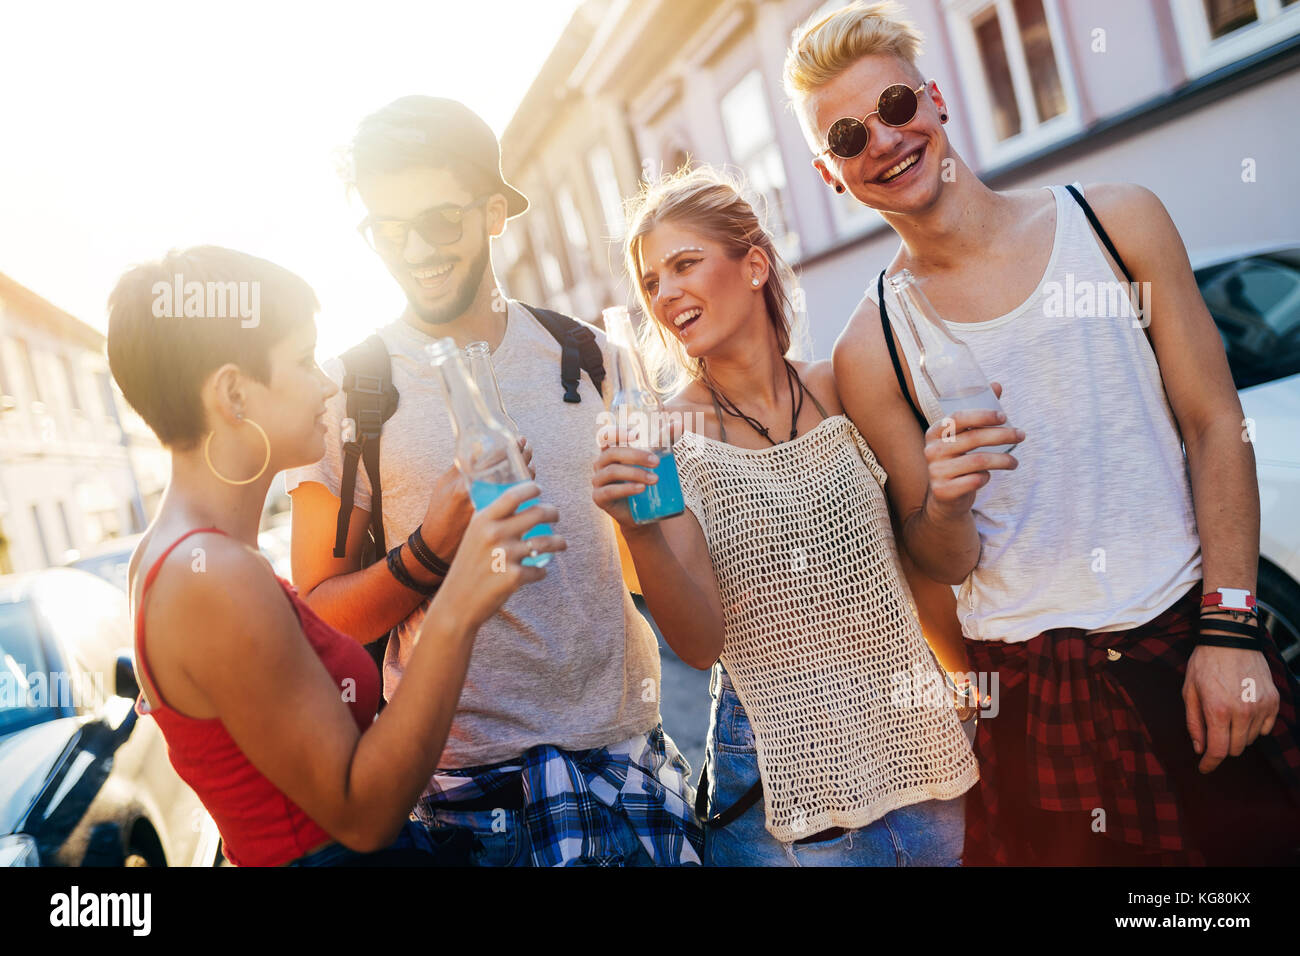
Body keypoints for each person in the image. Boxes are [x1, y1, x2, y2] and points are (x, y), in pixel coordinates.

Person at [783, 0, 1300, 865]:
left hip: (1186, 643)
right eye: (846, 136)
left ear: (937, 100)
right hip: (1031, 697)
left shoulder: (1114, 223)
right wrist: (945, 502)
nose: (883, 140)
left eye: (897, 106)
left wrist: (1233, 629)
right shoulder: (870, 346)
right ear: (830, 172)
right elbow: (939, 562)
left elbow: (1217, 425)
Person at [285, 96, 701, 866]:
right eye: (388, 228)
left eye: (440, 221)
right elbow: (319, 621)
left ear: (494, 213)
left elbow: (674, 579)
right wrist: (431, 551)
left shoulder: (598, 359)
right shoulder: (347, 394)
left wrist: (643, 522)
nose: (415, 249)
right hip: (466, 804)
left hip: (629, 767)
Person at [109, 246, 563, 867]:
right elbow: (362, 815)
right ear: (234, 394)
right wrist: (459, 604)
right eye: (302, 359)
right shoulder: (212, 575)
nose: (327, 382)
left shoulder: (176, 557)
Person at [592, 165, 978, 866]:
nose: (665, 292)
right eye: (651, 282)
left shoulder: (840, 384)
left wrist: (964, 675)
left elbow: (923, 563)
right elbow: (700, 641)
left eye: (684, 264)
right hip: (782, 775)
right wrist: (637, 529)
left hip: (917, 745)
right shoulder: (664, 436)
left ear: (754, 265)